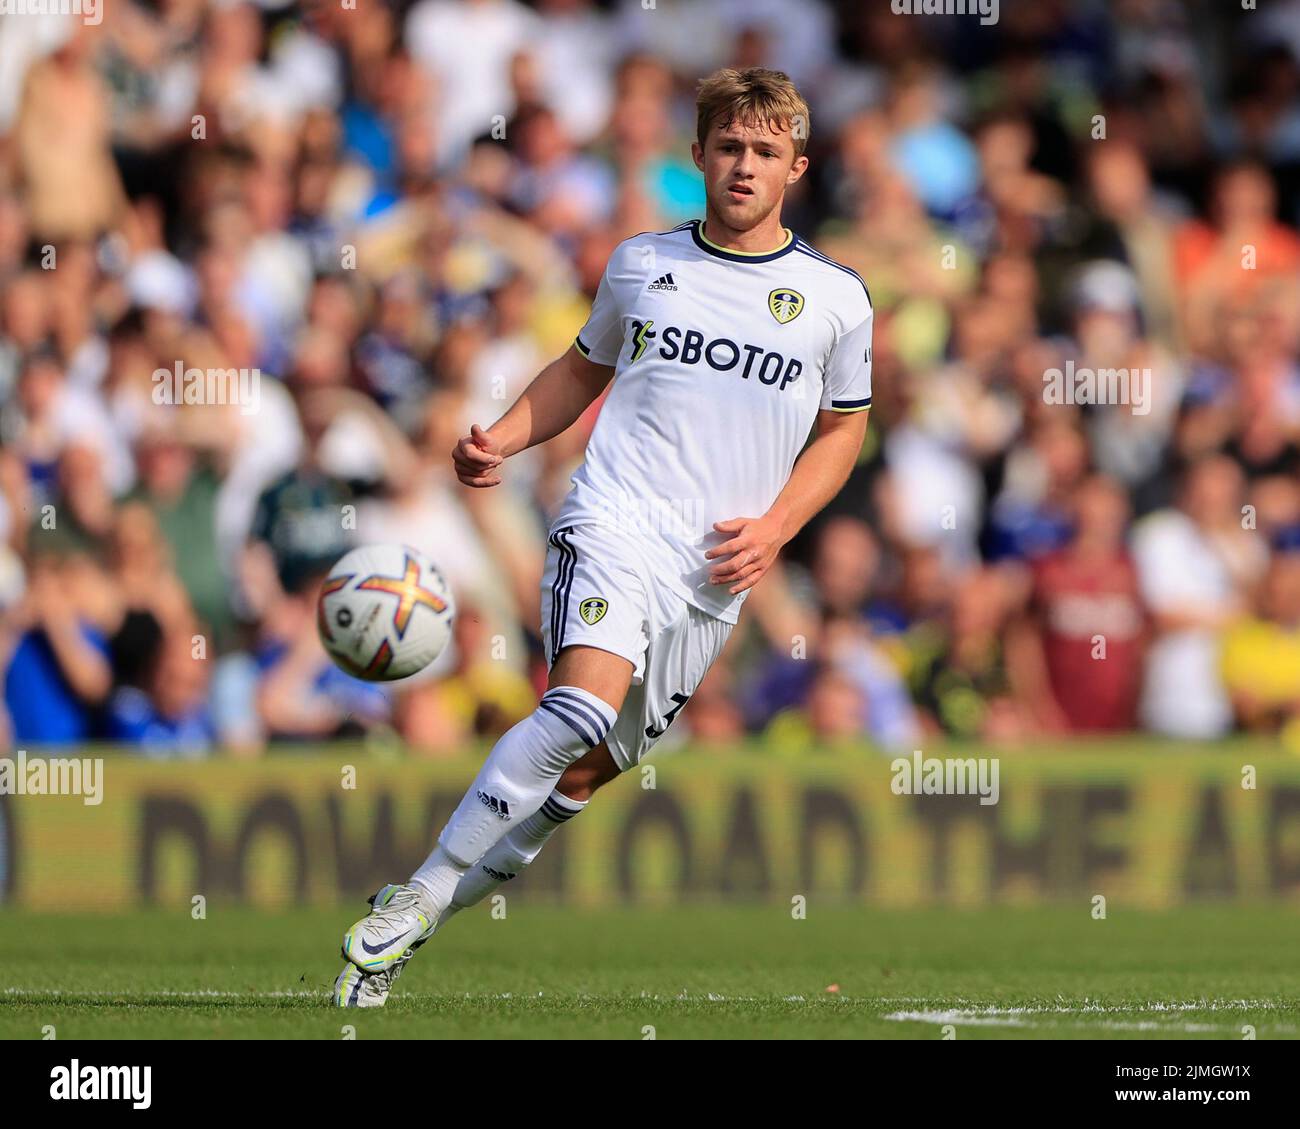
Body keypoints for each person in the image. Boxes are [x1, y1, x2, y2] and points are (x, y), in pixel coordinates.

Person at [333, 67, 874, 1006]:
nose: (745, 167)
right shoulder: (641, 262)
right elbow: (583, 369)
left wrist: (780, 527)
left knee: (581, 776)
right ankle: (415, 899)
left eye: (766, 152)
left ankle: (414, 917)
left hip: (717, 572)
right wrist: (501, 435)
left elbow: (844, 427)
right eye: (730, 148)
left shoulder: (837, 299)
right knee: (578, 709)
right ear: (699, 156)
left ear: (796, 167)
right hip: (616, 519)